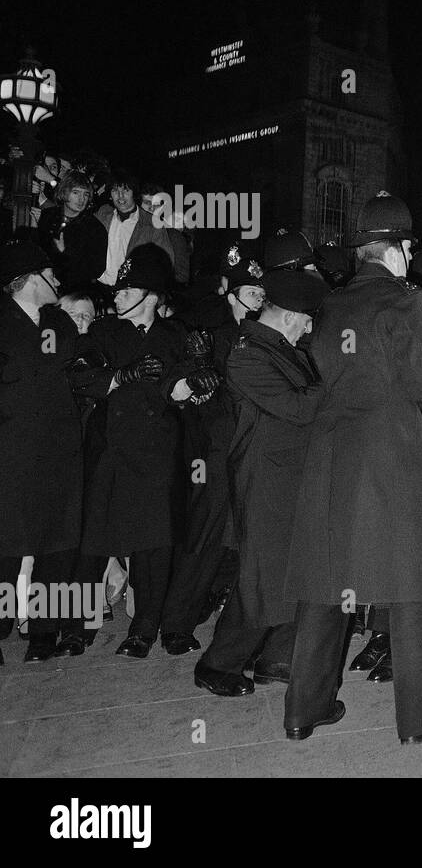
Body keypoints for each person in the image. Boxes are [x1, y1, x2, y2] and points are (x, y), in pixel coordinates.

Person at [282, 192, 422, 743]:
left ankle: (304, 711)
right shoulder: (405, 302)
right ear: (399, 251)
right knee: (413, 586)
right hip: (391, 456)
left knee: (328, 584)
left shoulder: (330, 304)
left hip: (333, 454)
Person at [65, 244, 214, 658]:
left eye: (126, 291)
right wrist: (120, 376)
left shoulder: (175, 335)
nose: (117, 297)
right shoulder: (104, 332)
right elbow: (80, 375)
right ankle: (77, 625)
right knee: (92, 544)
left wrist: (199, 383)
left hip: (157, 456)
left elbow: (181, 389)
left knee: (154, 545)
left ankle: (144, 628)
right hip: (109, 452)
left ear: (150, 295)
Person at [194, 270, 329, 697]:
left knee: (293, 570)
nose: (310, 328)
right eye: (308, 320)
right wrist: (340, 388)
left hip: (292, 476)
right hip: (266, 480)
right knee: (262, 576)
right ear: (290, 316)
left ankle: (276, 658)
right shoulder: (247, 355)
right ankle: (218, 664)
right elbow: (297, 407)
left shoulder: (280, 348)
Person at [158, 245, 266, 656]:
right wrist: (190, 385)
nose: (257, 299)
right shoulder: (206, 328)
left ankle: (232, 615)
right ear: (230, 292)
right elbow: (175, 386)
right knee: (204, 535)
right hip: (217, 450)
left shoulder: (263, 334)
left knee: (245, 541)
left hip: (254, 447)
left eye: (260, 292)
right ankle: (176, 623)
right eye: (250, 292)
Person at [0, 244, 84, 664]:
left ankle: (44, 631)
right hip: (10, 454)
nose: (58, 280)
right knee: (5, 547)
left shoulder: (60, 323)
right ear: (32, 278)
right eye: (50, 272)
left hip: (58, 454)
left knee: (57, 546)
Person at [95, 170, 174, 286]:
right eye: (115, 190)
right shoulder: (103, 215)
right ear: (110, 195)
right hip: (100, 285)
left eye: (126, 190)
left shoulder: (153, 225)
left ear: (134, 193)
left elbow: (166, 263)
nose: (120, 196)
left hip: (131, 290)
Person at [36, 171, 106, 292]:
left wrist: (65, 254)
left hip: (73, 293)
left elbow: (96, 270)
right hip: (41, 286)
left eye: (86, 194)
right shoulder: (48, 216)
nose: (81, 199)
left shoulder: (94, 228)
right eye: (76, 193)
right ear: (64, 192)